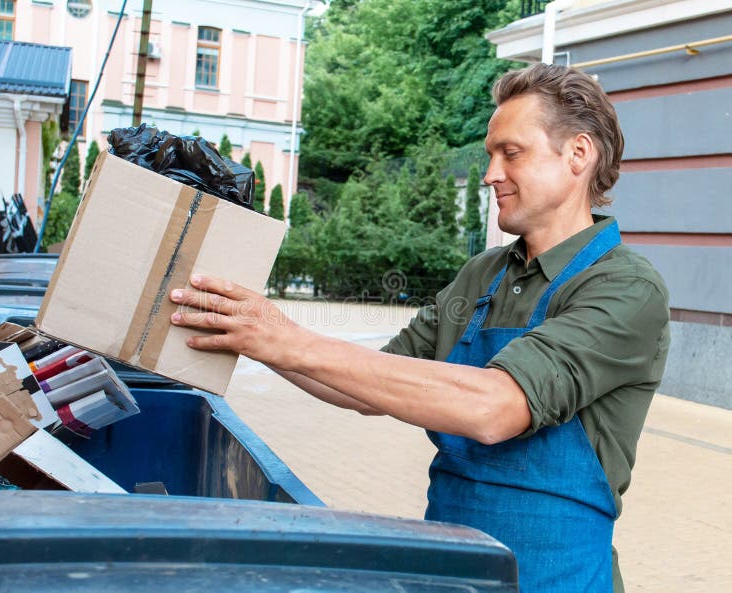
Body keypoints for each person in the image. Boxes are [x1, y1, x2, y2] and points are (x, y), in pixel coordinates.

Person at [168, 63, 670, 593]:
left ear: (578, 154)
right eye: (490, 154)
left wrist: (289, 339)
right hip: (450, 572)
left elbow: (495, 407)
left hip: (554, 579)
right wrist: (251, 334)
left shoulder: (625, 289)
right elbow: (366, 386)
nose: (490, 173)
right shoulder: (482, 275)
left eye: (511, 153)